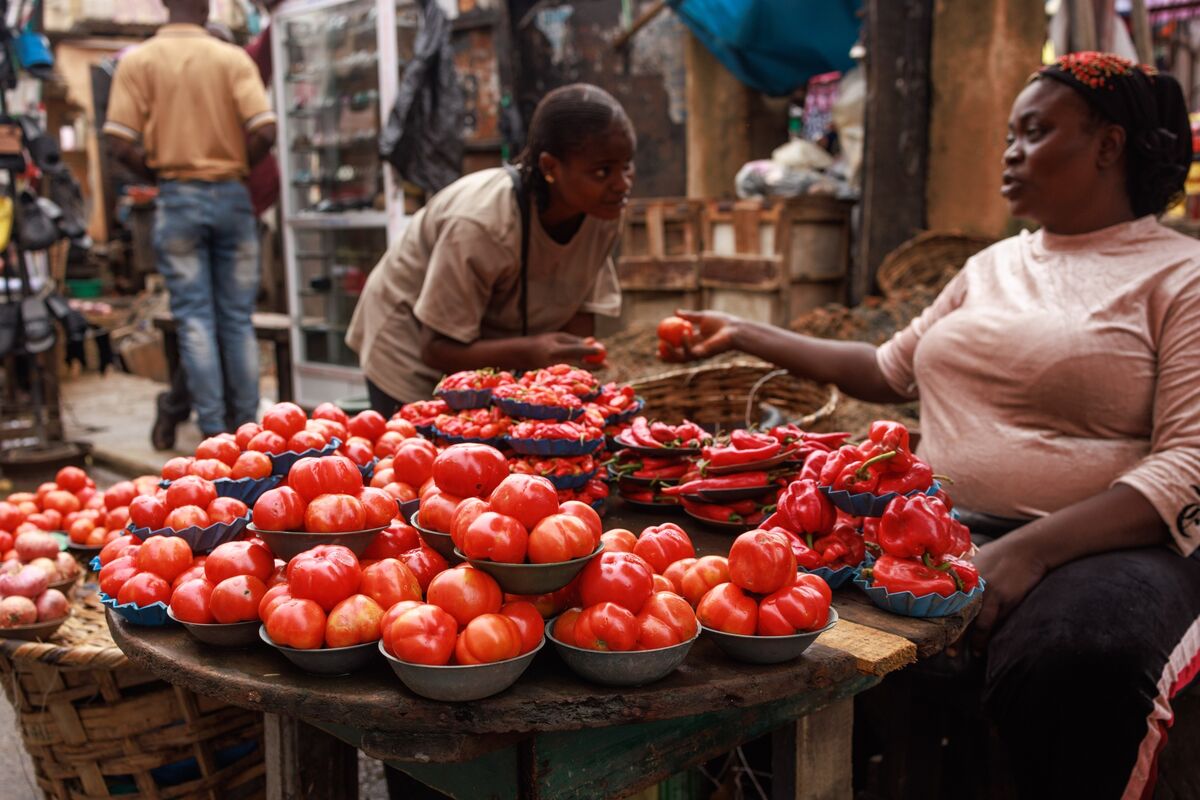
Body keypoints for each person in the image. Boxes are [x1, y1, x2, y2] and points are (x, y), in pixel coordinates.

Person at [664, 52, 1200, 799]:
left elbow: (1186, 465)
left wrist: (1028, 552)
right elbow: (886, 369)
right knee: (767, 611)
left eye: (1036, 132)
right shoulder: (990, 267)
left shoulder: (1179, 275)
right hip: (933, 525)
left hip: (1105, 544)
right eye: (1009, 135)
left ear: (1109, 145)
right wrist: (746, 333)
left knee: (1080, 659)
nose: (1011, 152)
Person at [346, 83, 634, 417]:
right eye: (603, 171)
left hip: (496, 359)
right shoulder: (480, 223)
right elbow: (436, 348)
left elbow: (577, 323)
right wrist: (528, 354)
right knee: (429, 444)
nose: (622, 184)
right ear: (550, 167)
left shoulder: (602, 212)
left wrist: (570, 376)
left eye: (627, 166)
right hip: (409, 350)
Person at [102, 0, 277, 442]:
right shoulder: (231, 58)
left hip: (178, 195)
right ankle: (249, 432)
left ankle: (215, 433)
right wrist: (237, 167)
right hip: (231, 194)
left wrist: (160, 175)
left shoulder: (139, 61)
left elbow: (118, 142)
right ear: (206, 8)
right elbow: (265, 130)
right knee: (237, 319)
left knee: (196, 320)